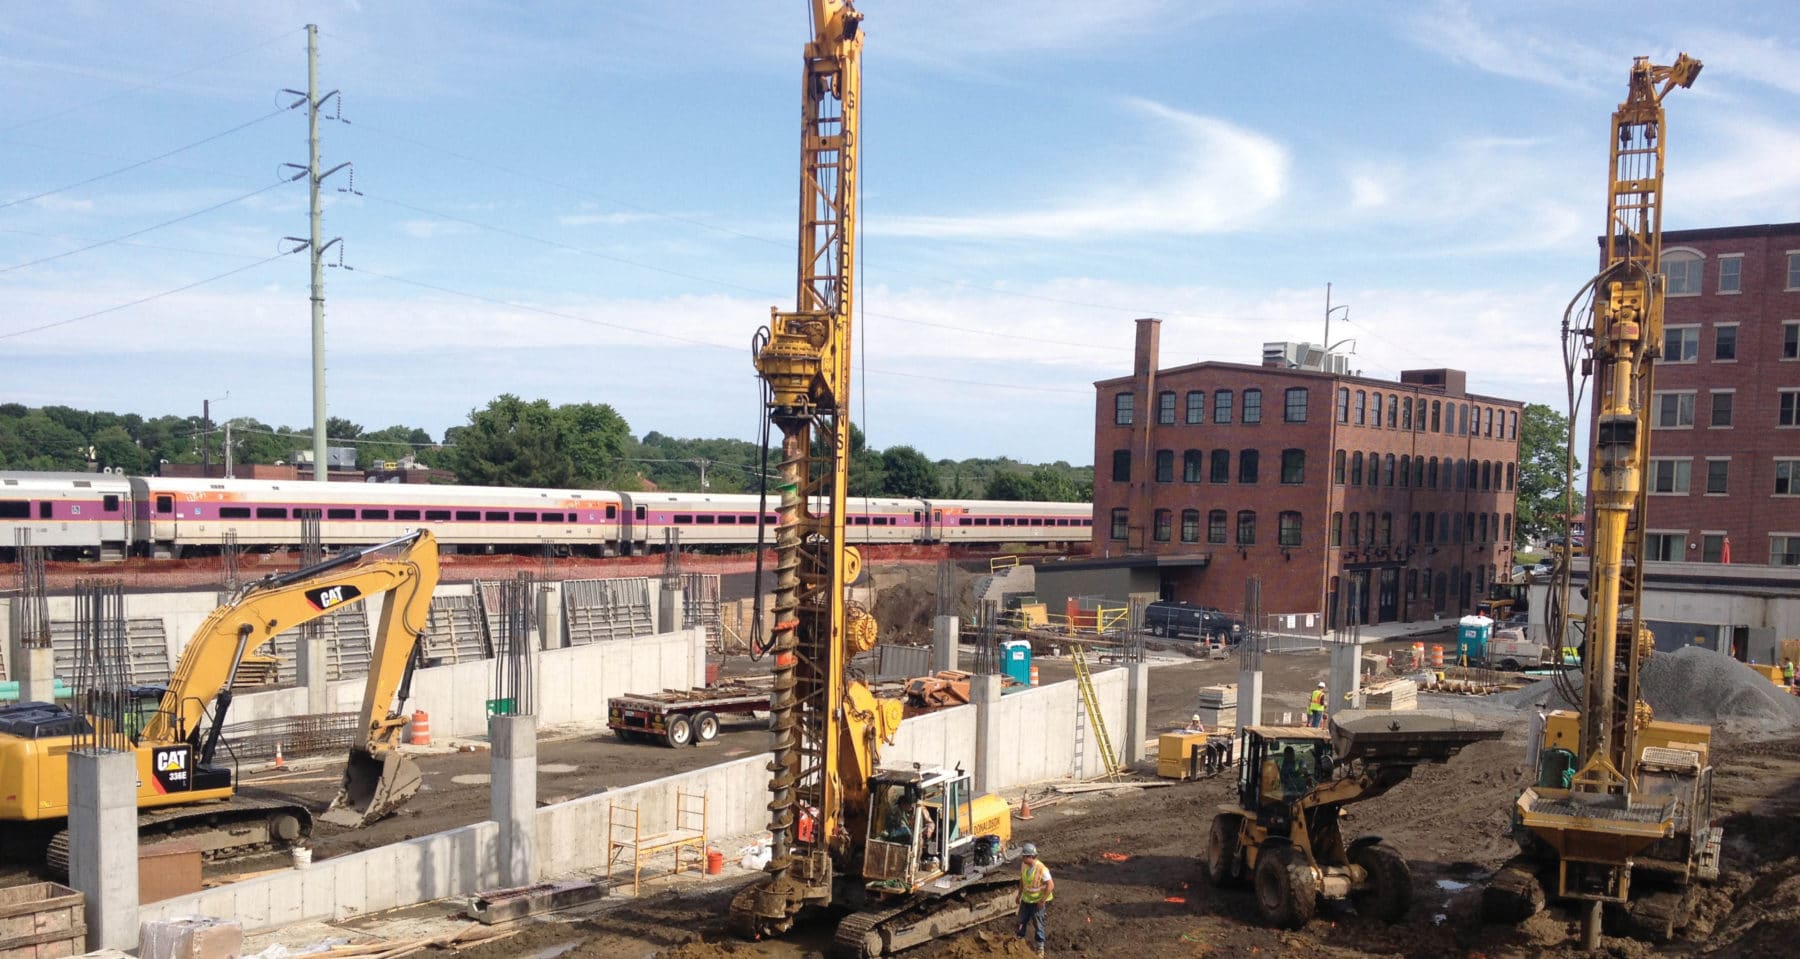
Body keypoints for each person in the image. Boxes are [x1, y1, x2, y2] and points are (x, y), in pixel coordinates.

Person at [1015, 842, 1053, 956]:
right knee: (1021, 921)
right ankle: (1018, 939)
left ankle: (1040, 948)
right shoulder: (1024, 865)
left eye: (1024, 856)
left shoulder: (1042, 869)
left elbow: (1050, 885)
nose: (1022, 858)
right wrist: (1019, 894)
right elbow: (1022, 880)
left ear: (1031, 857)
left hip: (1037, 903)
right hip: (1026, 900)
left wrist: (1042, 900)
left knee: (1038, 924)